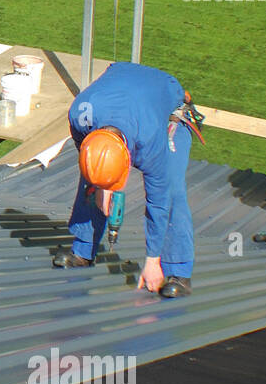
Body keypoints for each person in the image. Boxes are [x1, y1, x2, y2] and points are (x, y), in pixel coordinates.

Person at [51, 62, 199, 298]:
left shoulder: (150, 140)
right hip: (126, 101)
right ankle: (83, 250)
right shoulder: (81, 113)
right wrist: (100, 185)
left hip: (171, 114)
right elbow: (86, 151)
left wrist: (152, 260)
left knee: (172, 190)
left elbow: (158, 201)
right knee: (92, 172)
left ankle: (177, 272)